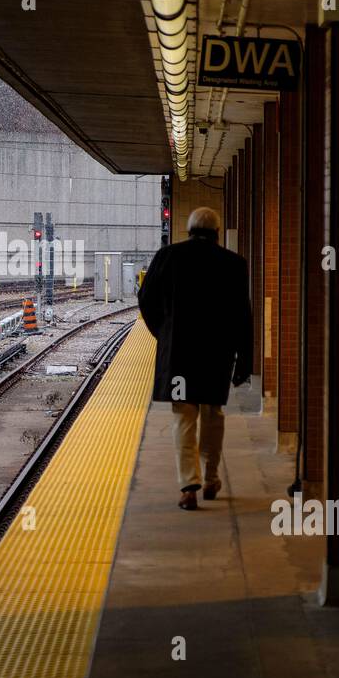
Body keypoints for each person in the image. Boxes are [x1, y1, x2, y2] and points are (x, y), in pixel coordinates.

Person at [138, 206, 252, 510]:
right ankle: (212, 478)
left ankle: (189, 485)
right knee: (213, 415)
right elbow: (244, 316)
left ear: (189, 231)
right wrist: (245, 360)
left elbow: (145, 299)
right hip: (216, 358)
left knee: (183, 416)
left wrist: (163, 333)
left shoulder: (168, 257)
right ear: (216, 233)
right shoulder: (234, 264)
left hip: (179, 358)